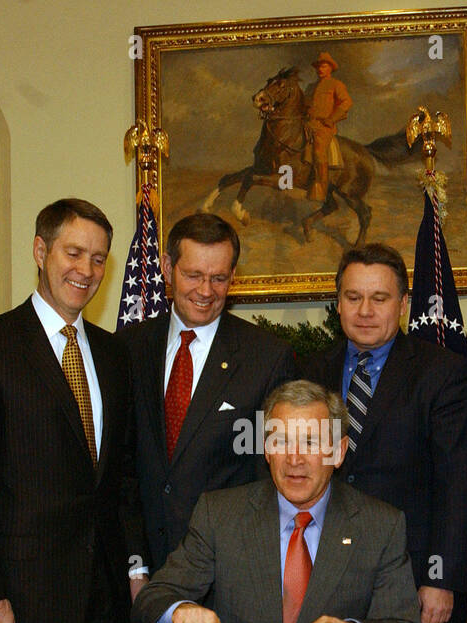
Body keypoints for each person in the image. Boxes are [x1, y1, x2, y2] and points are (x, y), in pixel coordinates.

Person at [0, 198, 146, 623]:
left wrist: (136, 570)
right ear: (40, 251)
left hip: (107, 598)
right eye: (73, 253)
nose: (86, 270)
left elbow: (123, 477)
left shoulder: (115, 355)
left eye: (97, 259)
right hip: (22, 600)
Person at [132, 379, 423, 623]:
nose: (294, 459)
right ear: (267, 450)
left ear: (338, 451)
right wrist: (181, 611)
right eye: (281, 442)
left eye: (310, 442)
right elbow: (153, 598)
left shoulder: (381, 525)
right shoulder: (219, 515)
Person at [302, 243, 467, 623]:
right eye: (353, 297)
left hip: (409, 578)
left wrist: (441, 578)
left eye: (379, 298)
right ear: (338, 302)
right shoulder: (309, 371)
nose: (365, 311)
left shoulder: (442, 373)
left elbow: (455, 483)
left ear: (403, 303)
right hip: (321, 572)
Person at [119, 212, 295, 573]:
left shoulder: (267, 358)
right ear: (167, 268)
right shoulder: (128, 348)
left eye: (218, 278)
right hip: (143, 569)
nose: (205, 291)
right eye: (193, 275)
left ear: (233, 277)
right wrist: (134, 566)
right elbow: (121, 470)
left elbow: (270, 475)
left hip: (229, 569)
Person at [305, 52, 352, 202]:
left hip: (324, 127)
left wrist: (332, 119)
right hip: (308, 123)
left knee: (319, 152)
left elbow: (346, 102)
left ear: (330, 68)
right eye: (318, 66)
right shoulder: (310, 87)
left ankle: (321, 188)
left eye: (324, 66)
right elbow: (304, 105)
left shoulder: (336, 84)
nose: (320, 69)